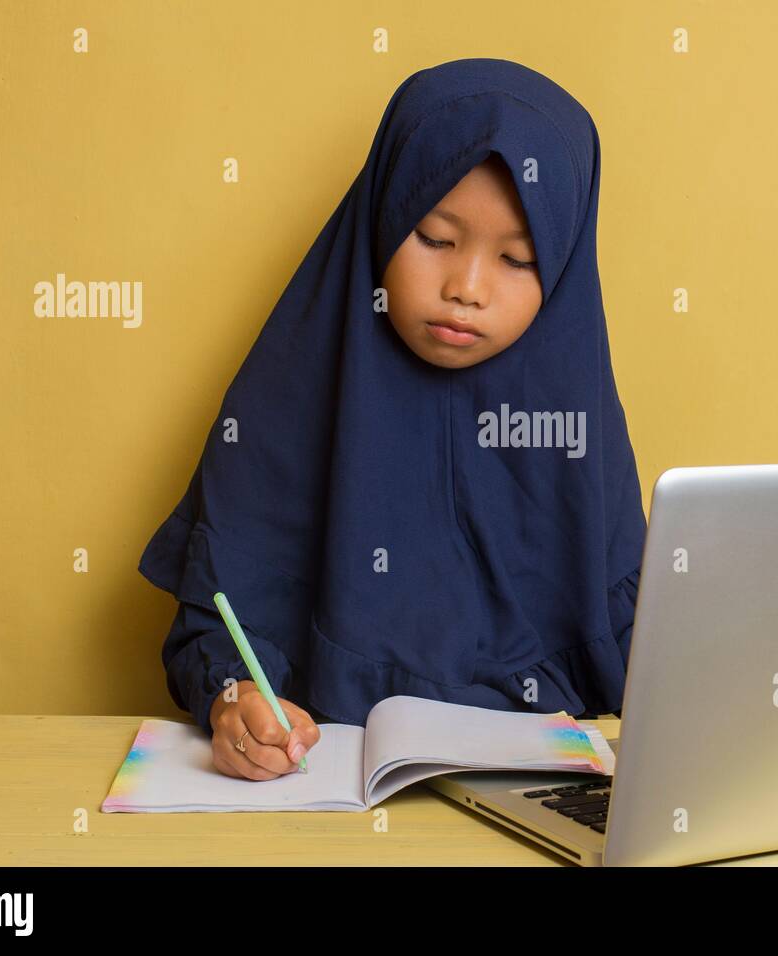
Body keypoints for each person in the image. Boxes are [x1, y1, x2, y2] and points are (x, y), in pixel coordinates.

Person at [137, 58, 646, 780]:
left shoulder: (574, 416)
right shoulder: (293, 386)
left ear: (562, 272)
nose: (466, 288)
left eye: (518, 258)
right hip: (320, 786)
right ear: (381, 216)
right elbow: (219, 618)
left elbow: (636, 647)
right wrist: (236, 697)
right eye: (435, 238)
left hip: (539, 792)